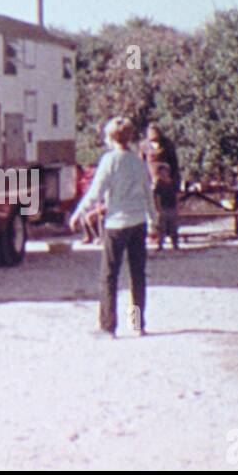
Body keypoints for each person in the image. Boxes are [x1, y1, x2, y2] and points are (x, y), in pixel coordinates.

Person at [69, 117, 156, 337]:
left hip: (116, 223)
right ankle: (137, 324)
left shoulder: (110, 160)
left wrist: (79, 213)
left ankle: (108, 326)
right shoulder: (137, 161)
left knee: (109, 276)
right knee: (137, 275)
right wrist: (153, 220)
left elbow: (95, 191)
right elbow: (148, 192)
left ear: (110, 138)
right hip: (138, 222)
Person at [152, 165, 180, 250]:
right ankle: (160, 244)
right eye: (162, 172)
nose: (164, 173)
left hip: (172, 206)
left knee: (173, 226)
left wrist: (177, 206)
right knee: (161, 227)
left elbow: (176, 195)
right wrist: (158, 208)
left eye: (165, 171)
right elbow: (157, 196)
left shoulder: (172, 183)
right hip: (163, 207)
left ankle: (175, 244)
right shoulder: (158, 184)